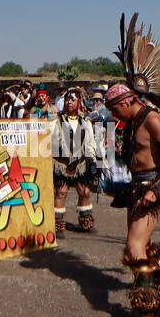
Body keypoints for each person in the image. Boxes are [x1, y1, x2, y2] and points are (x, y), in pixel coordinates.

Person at [106, 14, 160, 317]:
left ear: (127, 101)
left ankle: (148, 313)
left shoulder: (152, 118)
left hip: (151, 185)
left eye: (115, 108)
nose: (113, 114)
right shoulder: (134, 119)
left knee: (134, 247)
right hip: (138, 186)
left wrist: (157, 187)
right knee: (142, 241)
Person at [51, 88, 99, 234]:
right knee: (61, 191)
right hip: (62, 163)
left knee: (84, 192)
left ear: (78, 102)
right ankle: (57, 223)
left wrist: (93, 162)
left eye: (72, 99)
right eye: (67, 99)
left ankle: (85, 221)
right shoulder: (55, 121)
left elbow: (90, 142)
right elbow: (49, 141)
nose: (69, 102)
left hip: (80, 163)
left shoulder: (85, 121)